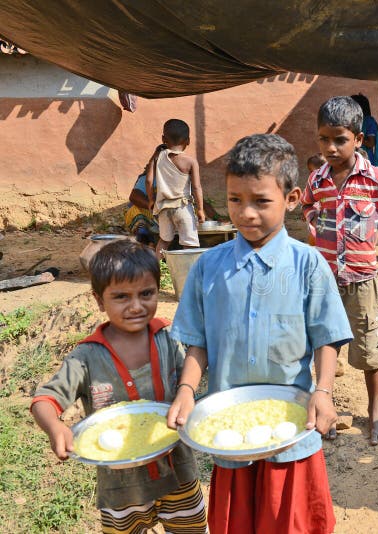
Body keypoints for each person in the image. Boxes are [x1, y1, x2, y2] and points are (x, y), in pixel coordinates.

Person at [167, 134, 352, 534]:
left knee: (293, 524)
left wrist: (323, 391)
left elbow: (327, 337)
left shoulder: (308, 266)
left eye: (261, 201)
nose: (246, 213)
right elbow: (197, 342)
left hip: (293, 436)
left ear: (292, 198)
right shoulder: (207, 269)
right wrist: (186, 389)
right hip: (230, 434)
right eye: (235, 200)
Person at [31, 240, 208, 534]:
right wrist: (55, 427)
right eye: (122, 297)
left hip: (179, 473)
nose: (136, 306)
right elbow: (44, 400)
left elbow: (188, 376)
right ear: (99, 300)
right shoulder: (86, 356)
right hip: (122, 487)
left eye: (147, 293)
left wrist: (187, 393)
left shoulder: (167, 338)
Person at [301, 96, 378, 444]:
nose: (331, 147)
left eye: (340, 139)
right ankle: (325, 407)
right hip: (324, 280)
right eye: (324, 139)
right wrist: (316, 225)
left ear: (358, 139)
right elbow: (307, 206)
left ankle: (375, 411)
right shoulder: (318, 179)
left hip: (362, 279)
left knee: (369, 349)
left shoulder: (374, 178)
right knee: (324, 343)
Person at [146, 119, 205, 258]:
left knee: (164, 241)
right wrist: (200, 209)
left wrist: (150, 199)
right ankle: (189, 272)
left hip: (163, 208)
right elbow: (196, 187)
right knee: (189, 243)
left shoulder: (157, 158)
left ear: (163, 139)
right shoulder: (190, 162)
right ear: (188, 141)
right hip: (183, 207)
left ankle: (157, 270)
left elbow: (149, 181)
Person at [124, 164, 160, 245]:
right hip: (152, 215)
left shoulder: (177, 178)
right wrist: (155, 208)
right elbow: (134, 197)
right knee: (135, 211)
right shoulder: (147, 179)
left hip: (170, 216)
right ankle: (144, 244)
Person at [351, 93, 378, 167]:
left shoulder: (369, 122)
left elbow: (371, 143)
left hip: (365, 160)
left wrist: (353, 138)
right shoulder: (353, 121)